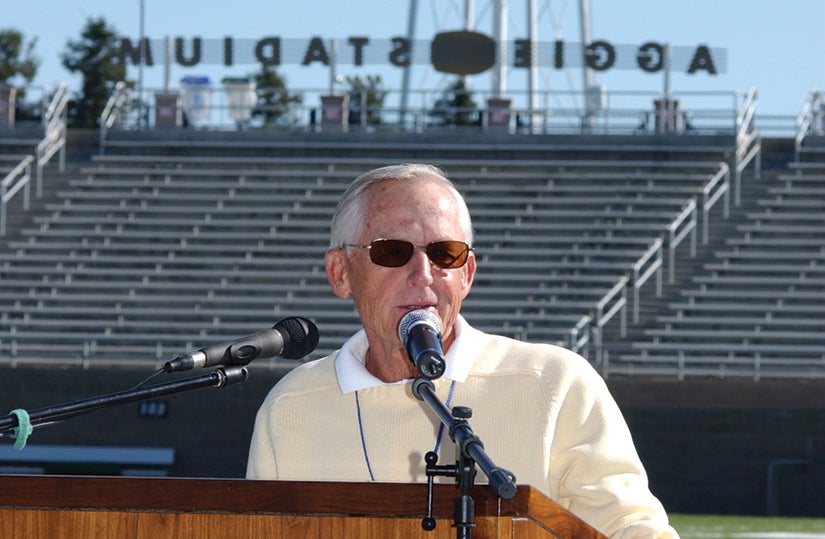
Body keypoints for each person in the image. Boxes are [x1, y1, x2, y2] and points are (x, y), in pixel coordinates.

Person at [246, 163, 679, 538]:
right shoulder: (290, 406)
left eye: (444, 253)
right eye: (393, 252)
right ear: (340, 273)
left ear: (467, 273)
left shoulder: (553, 382)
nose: (423, 274)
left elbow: (630, 529)